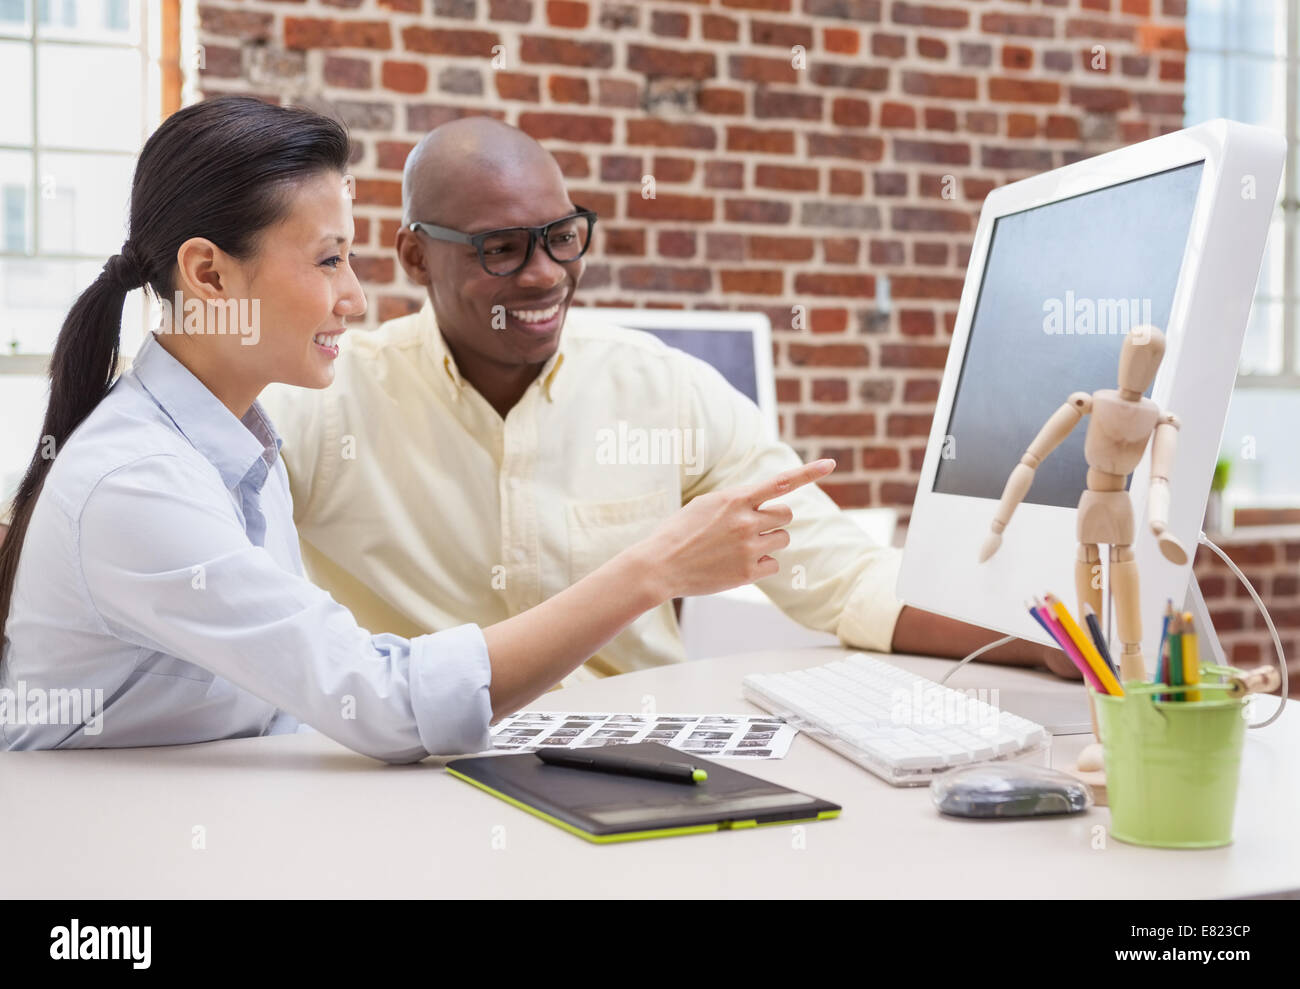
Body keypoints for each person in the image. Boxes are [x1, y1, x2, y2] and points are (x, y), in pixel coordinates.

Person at [0, 96, 834, 762]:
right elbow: (385, 702)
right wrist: (653, 570)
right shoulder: (140, 481)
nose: (355, 300)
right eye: (329, 260)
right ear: (210, 274)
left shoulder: (233, 448)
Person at [262, 117, 1073, 684]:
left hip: (639, 763)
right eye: (501, 249)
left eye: (564, 236)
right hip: (419, 776)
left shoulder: (663, 390)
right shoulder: (323, 401)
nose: (545, 274)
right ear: (413, 254)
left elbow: (843, 576)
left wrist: (1036, 641)